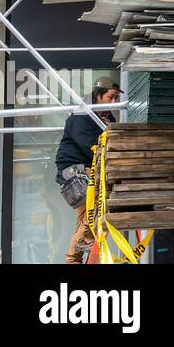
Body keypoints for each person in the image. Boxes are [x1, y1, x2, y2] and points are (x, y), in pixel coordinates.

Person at [54, 77, 121, 264]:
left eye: (116, 98)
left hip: (87, 171)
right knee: (93, 214)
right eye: (111, 97)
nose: (114, 102)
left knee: (86, 218)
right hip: (75, 172)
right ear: (98, 95)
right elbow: (91, 146)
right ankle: (74, 257)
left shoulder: (104, 116)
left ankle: (76, 258)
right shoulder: (82, 116)